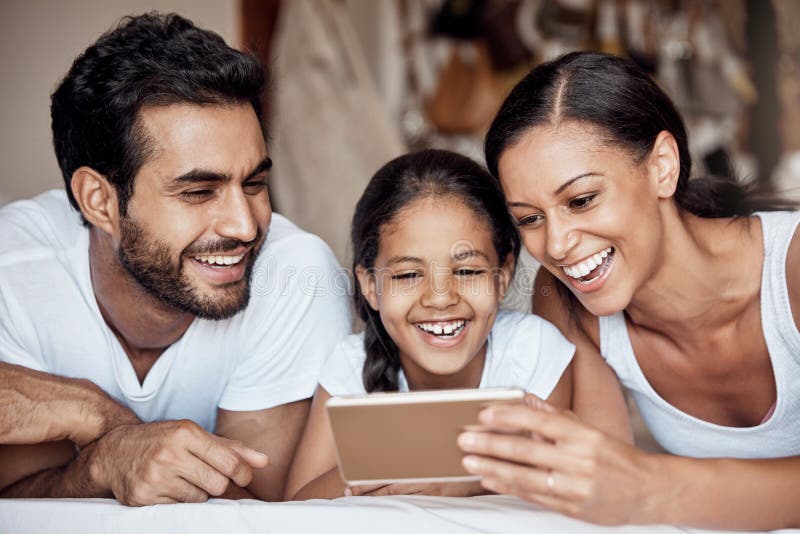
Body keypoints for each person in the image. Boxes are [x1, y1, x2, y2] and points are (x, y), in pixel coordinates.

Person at [0, 13, 351, 505]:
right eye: (198, 191)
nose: (245, 226)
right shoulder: (13, 272)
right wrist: (103, 441)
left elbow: (261, 514)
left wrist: (96, 433)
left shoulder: (297, 274)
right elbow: (16, 503)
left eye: (253, 183)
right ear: (99, 201)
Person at [456, 51, 800, 530]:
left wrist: (651, 486)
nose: (555, 245)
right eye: (529, 219)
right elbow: (604, 492)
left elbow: (634, 489)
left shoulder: (793, 268)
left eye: (581, 200)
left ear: (662, 166)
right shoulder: (563, 300)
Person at [284, 149, 631, 500]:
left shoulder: (532, 353)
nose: (440, 298)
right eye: (407, 274)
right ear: (371, 285)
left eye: (467, 271)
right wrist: (380, 469)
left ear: (502, 276)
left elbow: (549, 487)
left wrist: (466, 479)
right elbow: (295, 506)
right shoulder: (349, 367)